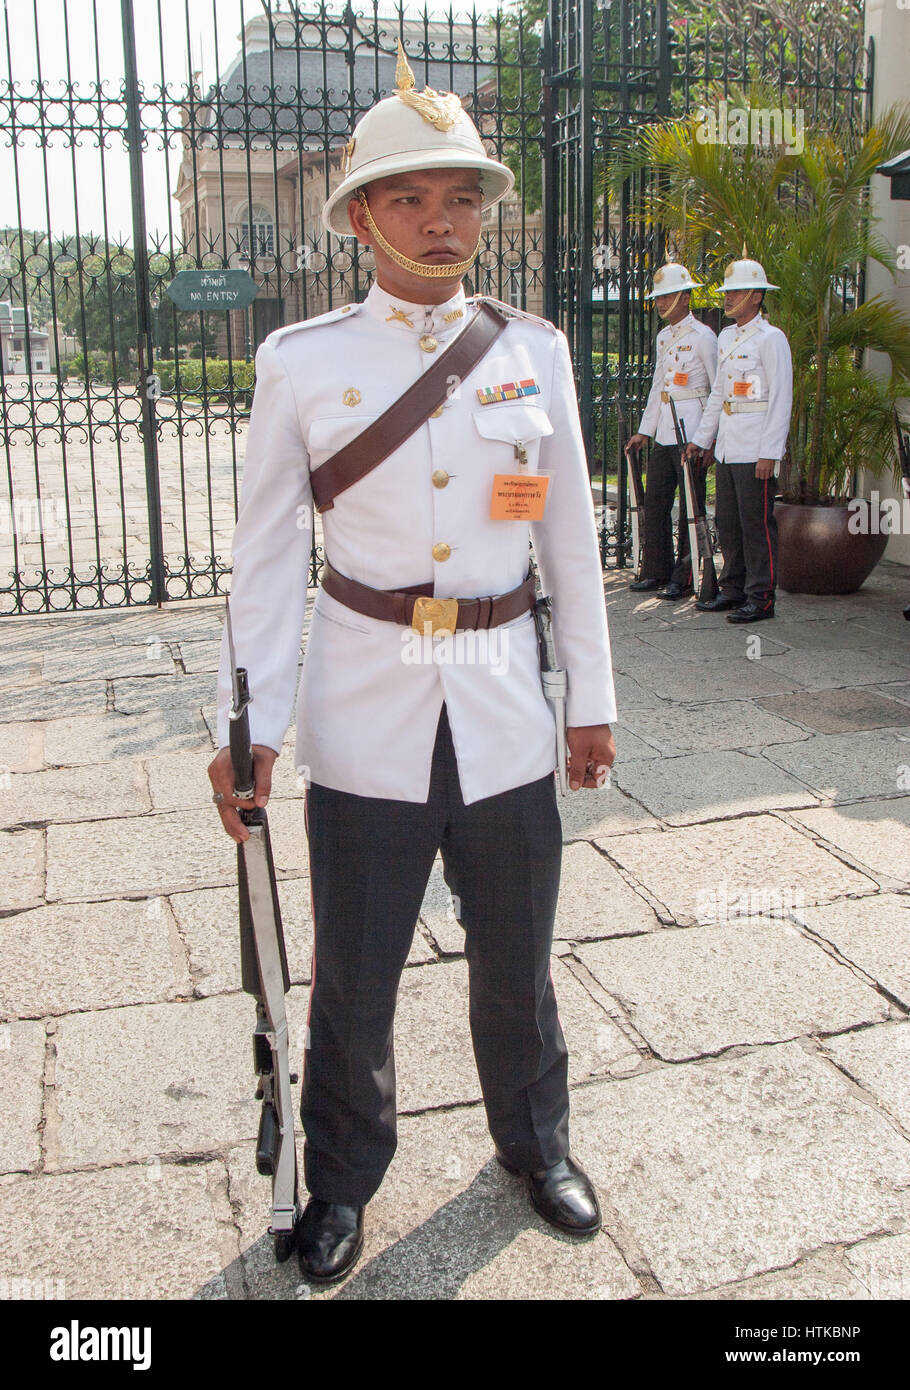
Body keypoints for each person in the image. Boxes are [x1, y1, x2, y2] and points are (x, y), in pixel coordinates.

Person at [207, 43, 617, 1286]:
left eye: (463, 200)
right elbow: (268, 560)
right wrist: (250, 724)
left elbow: (568, 535)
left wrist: (587, 702)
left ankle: (533, 1143)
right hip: (367, 704)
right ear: (359, 217)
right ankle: (338, 1184)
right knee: (358, 971)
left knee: (517, 955)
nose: (441, 224)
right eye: (410, 199)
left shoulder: (530, 351)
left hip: (498, 703)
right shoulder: (304, 363)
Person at [685, 252, 793, 622]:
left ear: (757, 297)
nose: (729, 298)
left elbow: (781, 397)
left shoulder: (770, 338)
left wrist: (770, 453)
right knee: (728, 520)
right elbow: (718, 395)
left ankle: (761, 596)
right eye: (728, 292)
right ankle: (732, 589)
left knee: (756, 524)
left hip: (755, 446)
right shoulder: (728, 336)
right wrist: (702, 439)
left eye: (738, 292)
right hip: (730, 444)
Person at [625, 263, 717, 600]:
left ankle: (687, 575)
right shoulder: (664, 337)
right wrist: (644, 431)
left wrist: (709, 440)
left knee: (691, 508)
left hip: (691, 429)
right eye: (659, 298)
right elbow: (657, 388)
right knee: (656, 503)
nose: (661, 304)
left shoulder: (703, 337)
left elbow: (716, 390)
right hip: (665, 429)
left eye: (667, 297)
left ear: (685, 297)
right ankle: (657, 570)